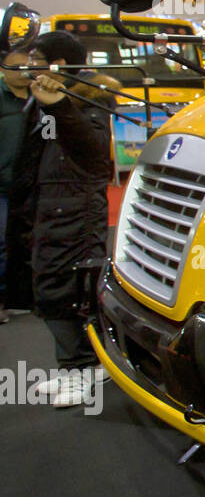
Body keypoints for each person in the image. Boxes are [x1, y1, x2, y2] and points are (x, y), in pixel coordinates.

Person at [20, 30, 117, 407]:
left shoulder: (84, 99)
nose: (27, 68)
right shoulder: (39, 100)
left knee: (69, 287)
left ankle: (81, 366)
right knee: (50, 285)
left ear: (57, 64)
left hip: (74, 208)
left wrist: (60, 105)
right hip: (50, 206)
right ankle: (78, 364)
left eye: (34, 61)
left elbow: (94, 157)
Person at [0, 49, 30, 323]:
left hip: (30, 186)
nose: (22, 72)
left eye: (27, 66)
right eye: (16, 67)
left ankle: (21, 297)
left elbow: (50, 133)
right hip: (2, 185)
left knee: (25, 241)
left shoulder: (39, 97)